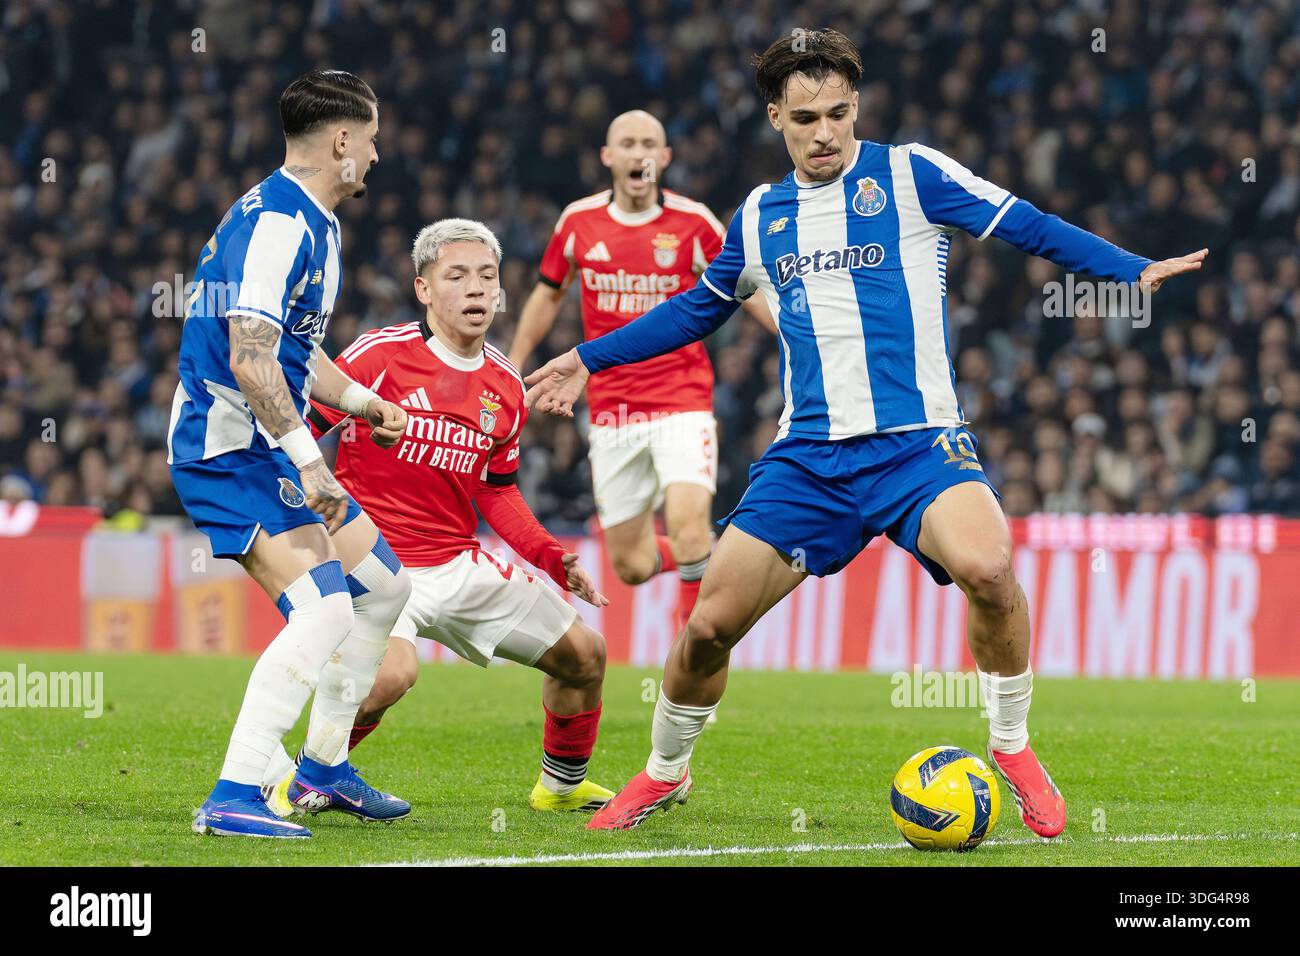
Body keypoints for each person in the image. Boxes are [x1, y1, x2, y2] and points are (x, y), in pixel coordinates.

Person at [525, 29, 1207, 834]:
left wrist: (1126, 267)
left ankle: (1014, 747)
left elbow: (1024, 222)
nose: (824, 133)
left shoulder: (911, 174)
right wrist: (585, 357)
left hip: (919, 444)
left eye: (839, 114)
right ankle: (664, 772)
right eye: (805, 116)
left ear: (858, 108)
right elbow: (693, 311)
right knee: (708, 626)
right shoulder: (759, 216)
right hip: (810, 459)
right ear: (775, 115)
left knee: (990, 566)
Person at [267, 219, 615, 815]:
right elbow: (301, 435)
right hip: (373, 561)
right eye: (457, 276)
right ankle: (309, 778)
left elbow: (497, 491)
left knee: (585, 654)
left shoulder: (505, 384)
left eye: (487, 277)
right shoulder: (379, 356)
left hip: (454, 561)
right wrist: (297, 519)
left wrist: (550, 557)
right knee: (391, 676)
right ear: (423, 288)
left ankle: (559, 787)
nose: (477, 289)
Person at [170, 70, 413, 838]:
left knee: (382, 589)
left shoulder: (309, 219)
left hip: (263, 445)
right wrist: (311, 461)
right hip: (228, 449)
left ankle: (322, 770)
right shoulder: (281, 225)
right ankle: (234, 794)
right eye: (371, 140)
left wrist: (361, 401)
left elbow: (294, 354)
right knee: (324, 606)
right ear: (342, 140)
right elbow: (250, 359)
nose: (375, 155)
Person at [509, 109, 773, 633]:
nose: (639, 154)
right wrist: (514, 361)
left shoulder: (694, 223)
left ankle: (688, 660)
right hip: (612, 410)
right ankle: (710, 553)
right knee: (630, 566)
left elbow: (746, 287)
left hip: (683, 399)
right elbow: (549, 291)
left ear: (666, 158)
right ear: (608, 157)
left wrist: (796, 335)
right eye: (627, 144)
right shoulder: (578, 222)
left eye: (649, 143)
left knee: (688, 526)